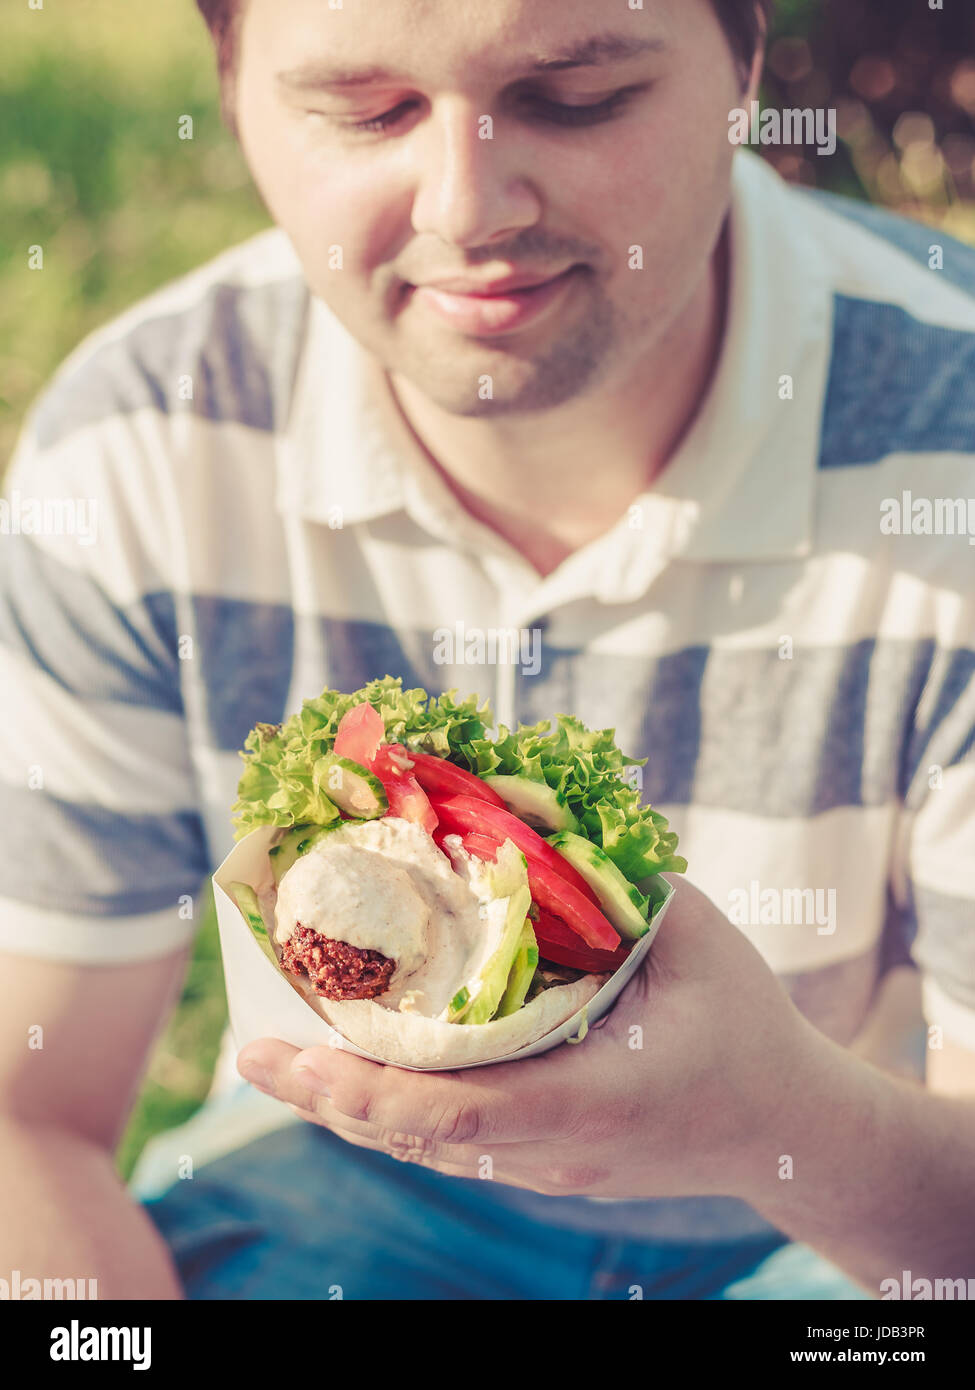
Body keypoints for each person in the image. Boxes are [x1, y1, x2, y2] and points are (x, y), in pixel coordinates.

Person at [1, 0, 973, 1302]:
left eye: (578, 97)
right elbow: (28, 1117)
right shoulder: (137, 453)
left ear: (746, 66)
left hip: (838, 1223)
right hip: (334, 1183)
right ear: (232, 95)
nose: (468, 208)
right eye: (364, 111)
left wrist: (770, 1117)